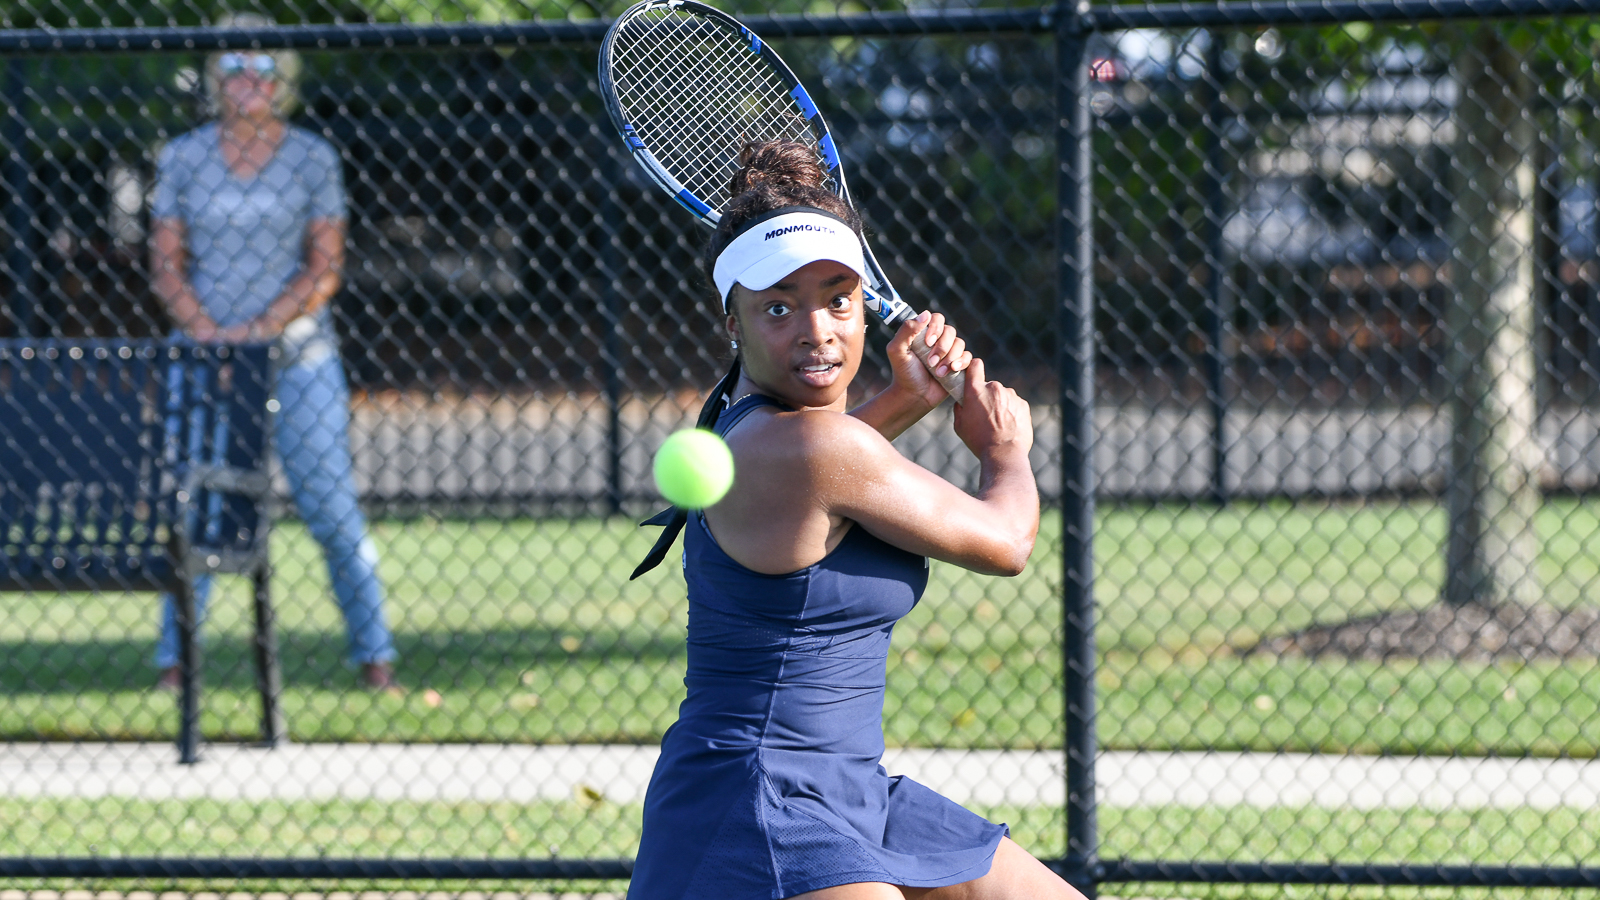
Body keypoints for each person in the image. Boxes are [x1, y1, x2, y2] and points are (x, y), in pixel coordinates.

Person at [626, 140, 1080, 900]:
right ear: (730, 321)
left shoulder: (775, 435)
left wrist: (906, 398)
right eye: (779, 306)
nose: (818, 329)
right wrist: (1005, 451)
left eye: (838, 298)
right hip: (757, 805)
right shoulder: (813, 446)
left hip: (851, 792)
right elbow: (1006, 543)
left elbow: (831, 473)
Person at [147, 28, 398, 691]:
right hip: (205, 362)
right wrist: (212, 336)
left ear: (282, 78)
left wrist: (257, 334)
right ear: (215, 77)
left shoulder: (312, 158)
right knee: (195, 513)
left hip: (299, 360)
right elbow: (166, 264)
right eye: (233, 65)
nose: (247, 77)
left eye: (262, 66)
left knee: (331, 511)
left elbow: (325, 268)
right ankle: (175, 668)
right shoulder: (182, 157)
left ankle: (376, 659)